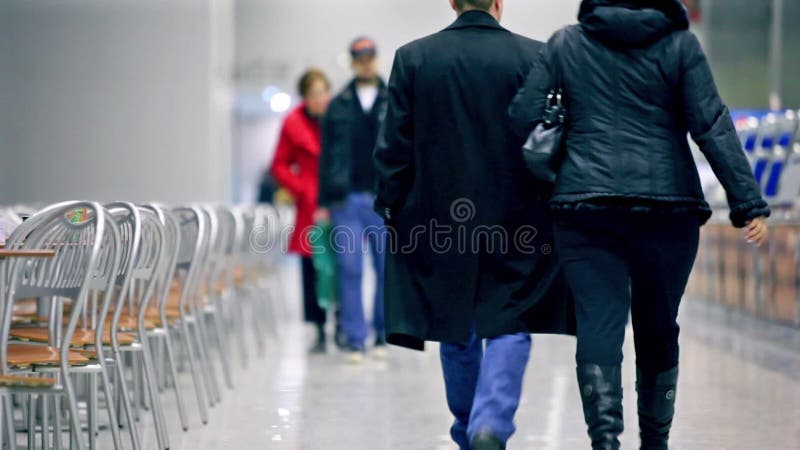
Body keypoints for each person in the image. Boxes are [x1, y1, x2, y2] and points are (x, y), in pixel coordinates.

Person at [508, 1, 770, 449]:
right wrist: (747, 201)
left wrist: (567, 147)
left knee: (598, 324)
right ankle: (655, 443)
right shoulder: (681, 46)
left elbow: (521, 116)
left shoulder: (566, 43)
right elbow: (710, 123)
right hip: (667, 211)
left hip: (586, 211)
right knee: (659, 325)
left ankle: (606, 442)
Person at [374, 1, 574, 449]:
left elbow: (393, 147)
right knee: (510, 320)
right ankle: (491, 423)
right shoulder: (535, 57)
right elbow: (554, 137)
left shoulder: (414, 57)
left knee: (456, 324)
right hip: (519, 216)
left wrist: (389, 203)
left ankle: (469, 429)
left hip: (439, 219)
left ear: (452, 2)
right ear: (498, 3)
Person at [317, 37, 388, 362]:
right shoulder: (338, 104)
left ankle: (382, 335)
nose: (366, 62)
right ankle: (356, 338)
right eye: (360, 57)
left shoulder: (393, 98)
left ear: (376, 59)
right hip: (346, 200)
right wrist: (324, 199)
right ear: (352, 61)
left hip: (383, 199)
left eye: (370, 56)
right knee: (350, 268)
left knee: (386, 267)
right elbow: (327, 155)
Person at [270, 68, 332, 354]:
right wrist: (302, 188)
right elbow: (279, 164)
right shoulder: (292, 124)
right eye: (314, 94)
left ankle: (343, 324)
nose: (320, 99)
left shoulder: (338, 118)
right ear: (305, 97)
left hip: (337, 200)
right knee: (311, 266)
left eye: (323, 92)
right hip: (308, 205)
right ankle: (317, 327)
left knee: (343, 264)